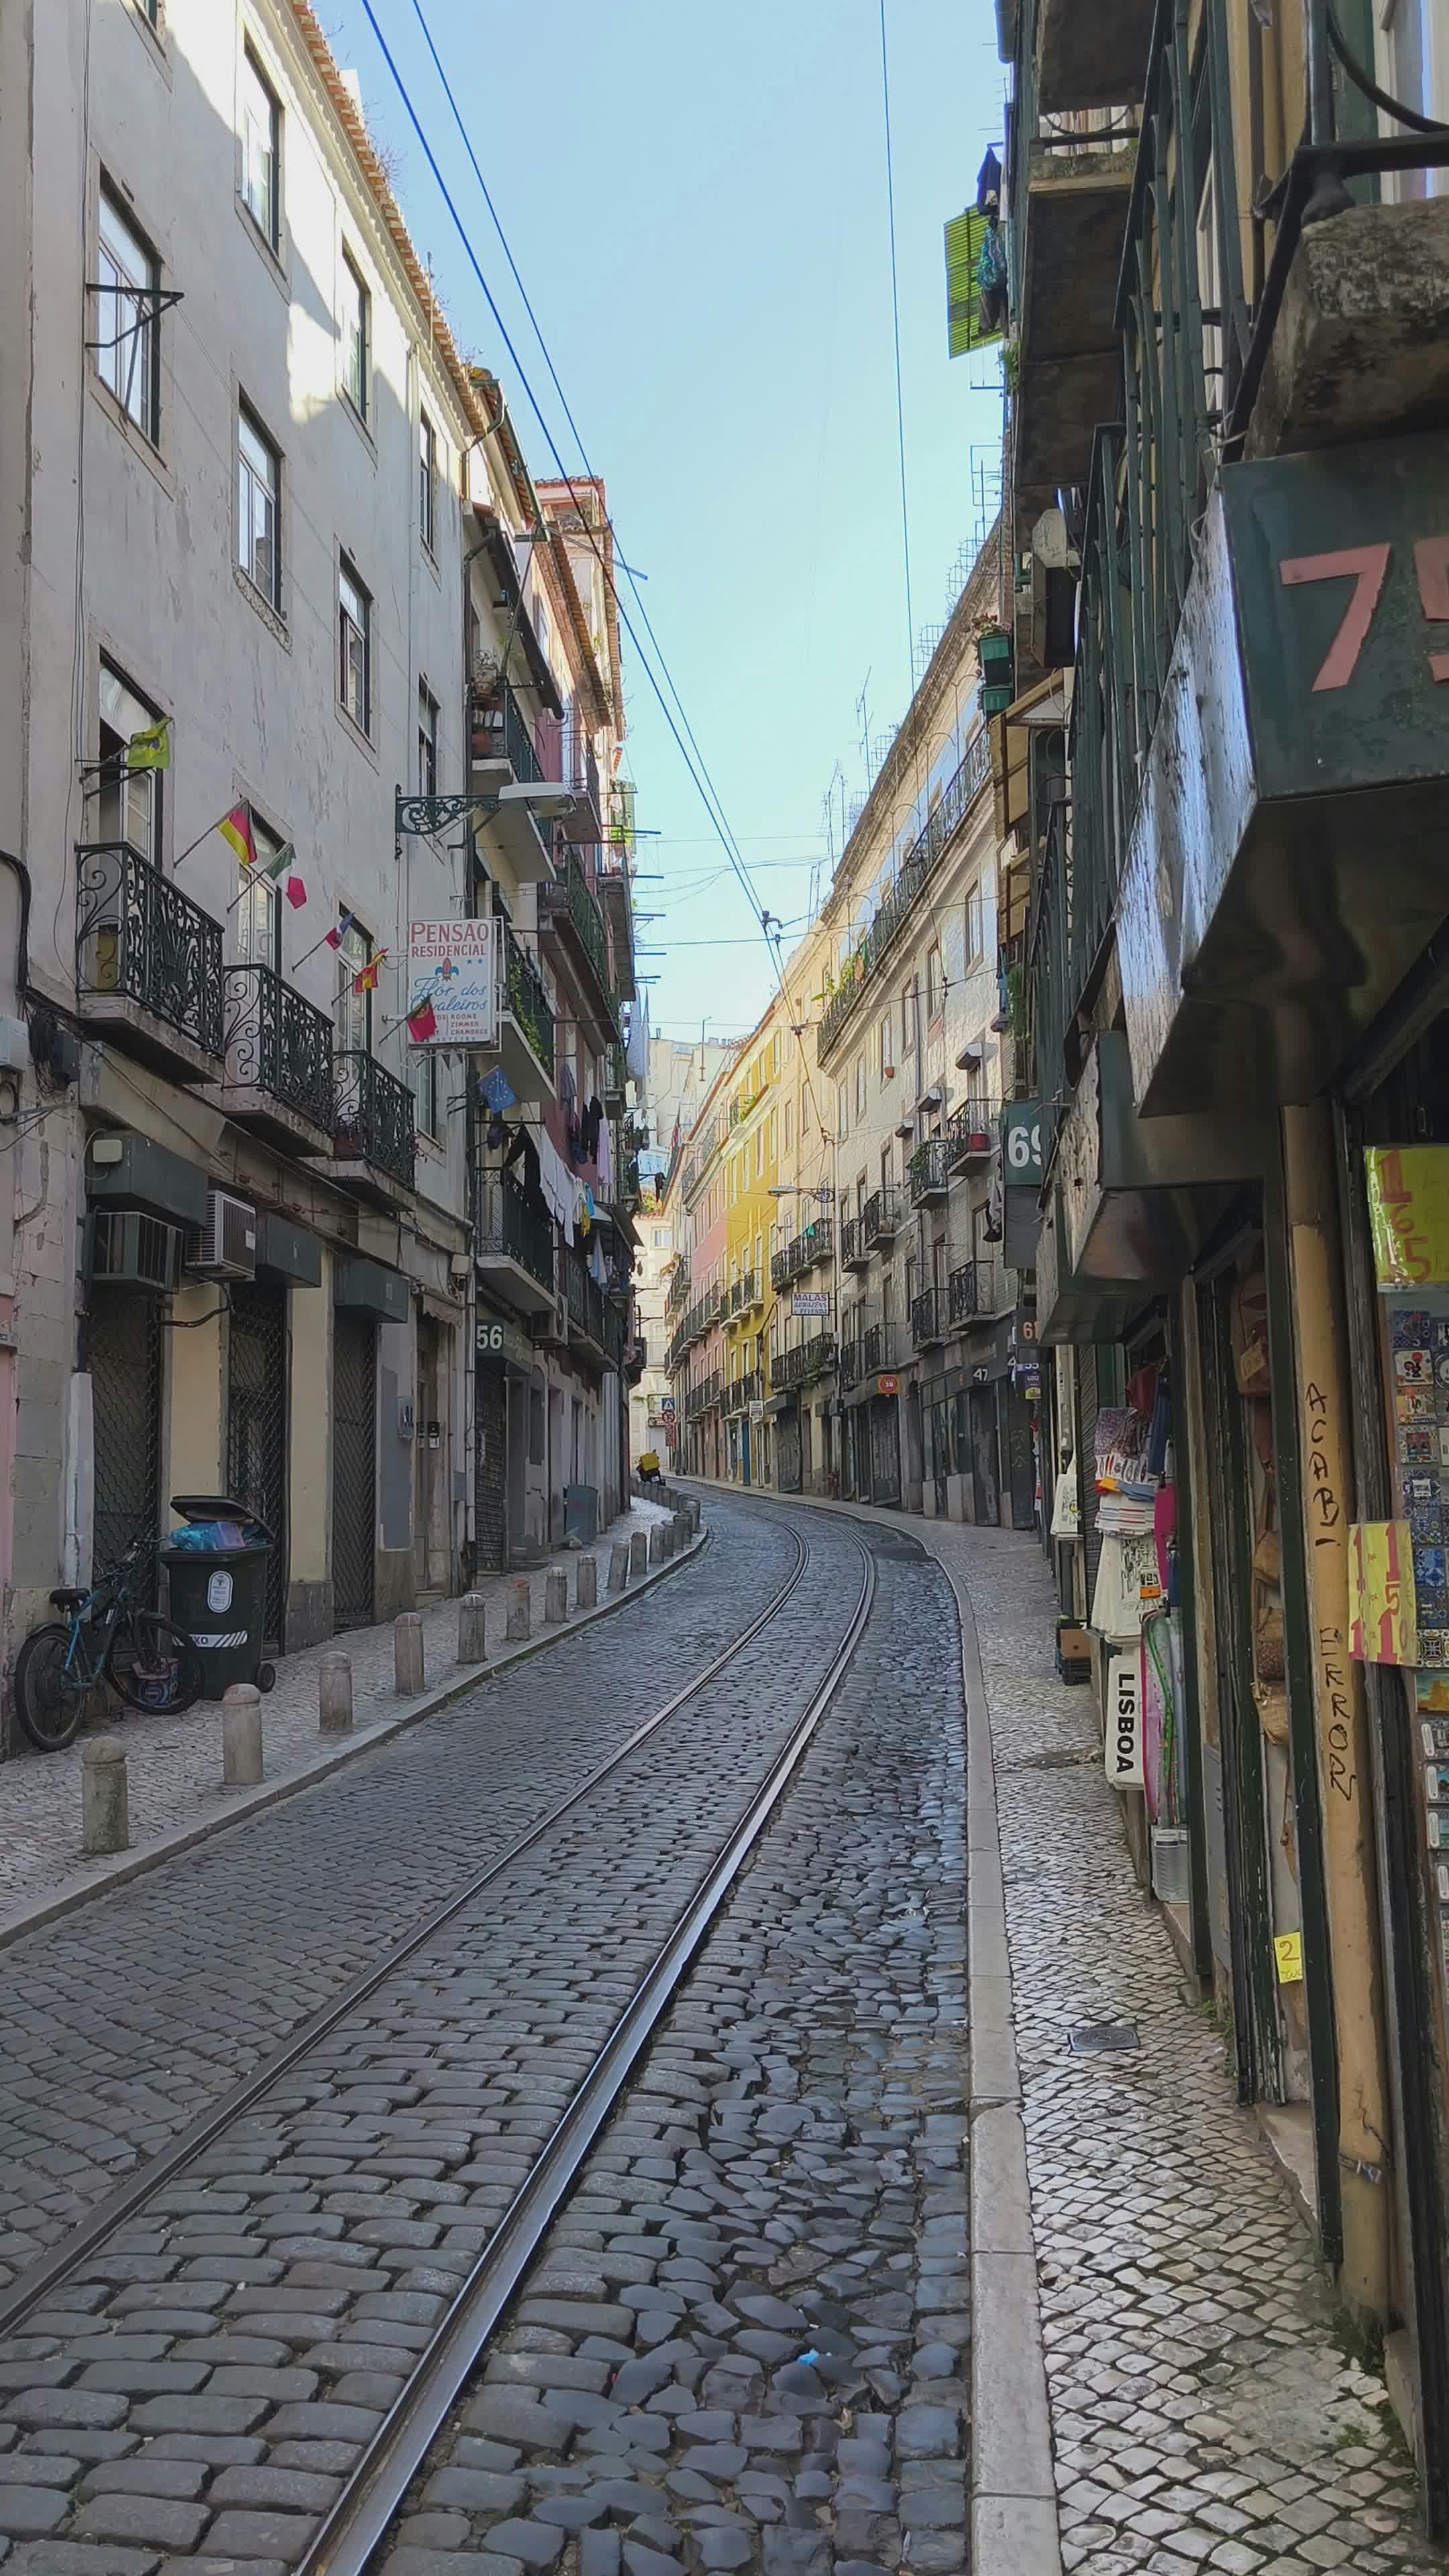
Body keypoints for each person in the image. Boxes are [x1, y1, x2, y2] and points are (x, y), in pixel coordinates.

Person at [977, 197, 1008, 339]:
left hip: (994, 282)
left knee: (1000, 301)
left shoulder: (990, 236)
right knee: (1001, 300)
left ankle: (994, 327)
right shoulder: (992, 234)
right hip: (996, 279)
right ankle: (996, 327)